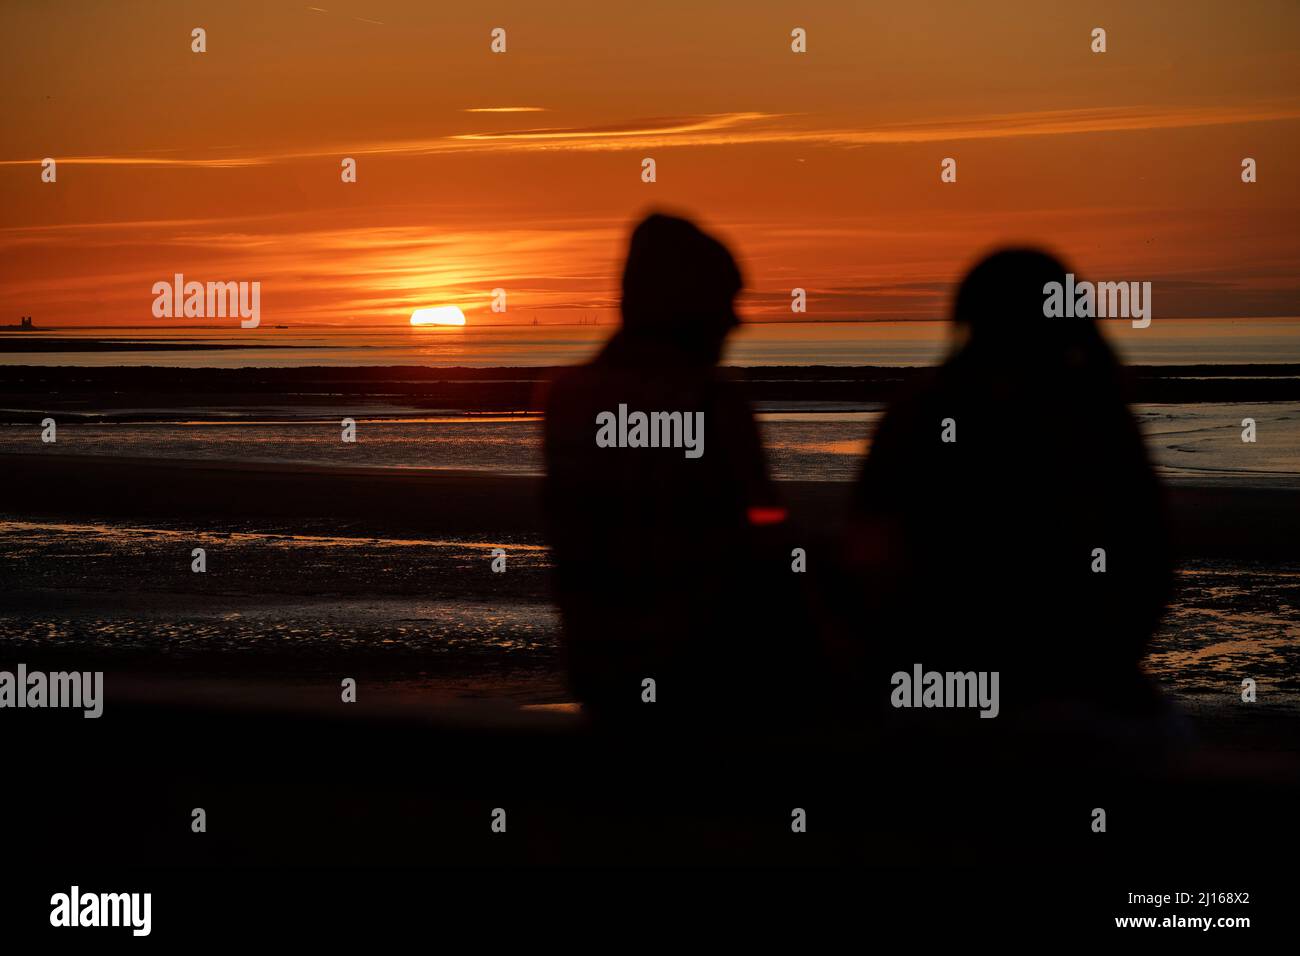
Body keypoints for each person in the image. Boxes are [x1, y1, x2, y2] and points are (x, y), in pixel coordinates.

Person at [847, 249, 1173, 722]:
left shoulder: (920, 412)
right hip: (1065, 684)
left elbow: (870, 560)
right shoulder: (1095, 412)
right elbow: (1150, 562)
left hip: (942, 685)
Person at [542, 213, 817, 726]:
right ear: (687, 307)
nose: (737, 322)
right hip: (709, 674)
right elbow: (766, 535)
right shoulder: (714, 403)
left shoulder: (567, 400)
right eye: (725, 302)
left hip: (601, 669)